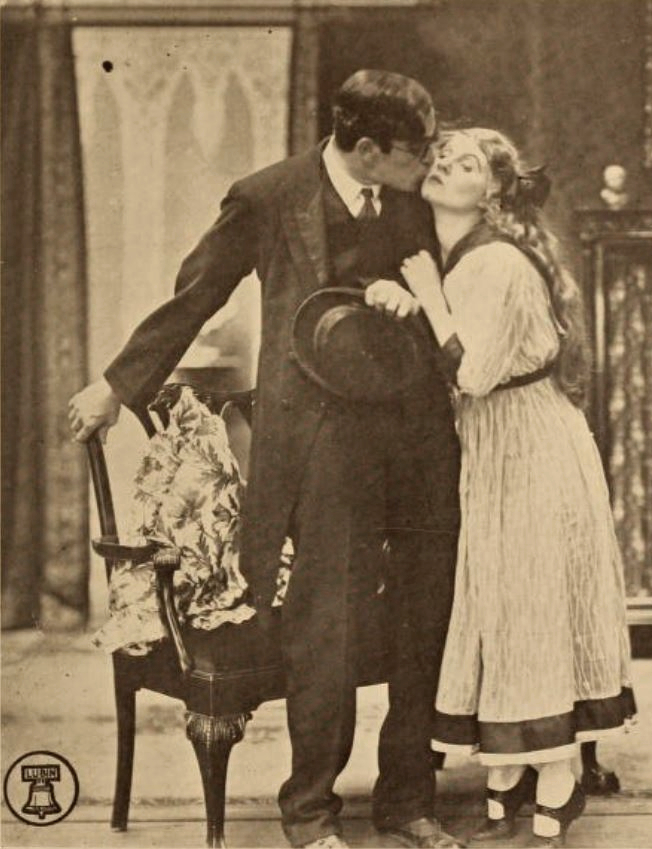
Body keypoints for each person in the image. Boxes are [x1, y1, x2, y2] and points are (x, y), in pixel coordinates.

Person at [68, 70, 464, 849]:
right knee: (330, 627)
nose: (431, 163)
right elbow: (197, 294)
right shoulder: (268, 196)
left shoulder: (415, 196)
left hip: (416, 438)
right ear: (368, 148)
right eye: (415, 152)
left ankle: (407, 799)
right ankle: (311, 812)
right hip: (322, 445)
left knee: (428, 614)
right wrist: (117, 386)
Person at [399, 128, 636, 847]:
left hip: (532, 447)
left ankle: (556, 773)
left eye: (466, 162)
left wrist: (425, 297)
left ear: (495, 190)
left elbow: (471, 374)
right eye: (442, 155)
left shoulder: (495, 261)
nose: (444, 163)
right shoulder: (456, 257)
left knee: (530, 603)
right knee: (505, 603)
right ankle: (514, 768)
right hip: (499, 447)